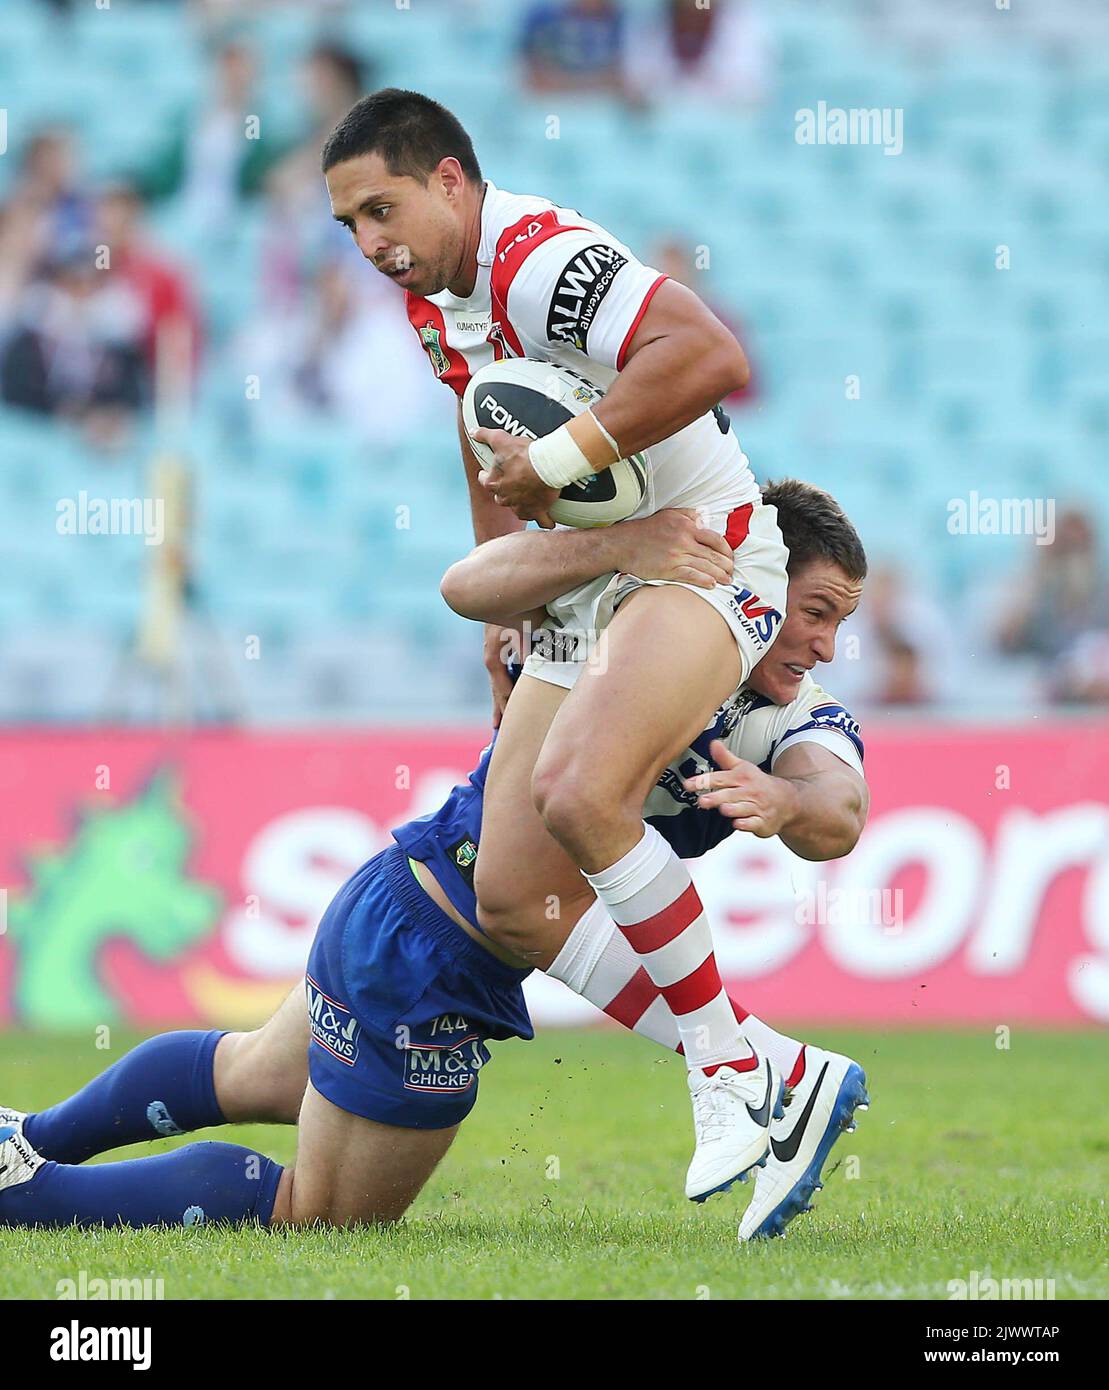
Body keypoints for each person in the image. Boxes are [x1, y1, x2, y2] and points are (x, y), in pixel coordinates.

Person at [0, 480, 869, 1243]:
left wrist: (788, 800)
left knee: (252, 1071)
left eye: (842, 622)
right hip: (436, 961)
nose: (826, 646)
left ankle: (23, 1139)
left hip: (395, 906)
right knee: (326, 1216)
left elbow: (839, 807)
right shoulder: (628, 623)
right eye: (816, 611)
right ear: (754, 577)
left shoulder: (790, 716)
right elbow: (476, 570)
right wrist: (548, 585)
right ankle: (29, 1198)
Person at [321, 87, 788, 1202]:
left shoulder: (536, 255)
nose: (370, 245)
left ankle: (728, 1072)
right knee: (515, 897)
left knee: (581, 792)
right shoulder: (439, 303)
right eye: (348, 228)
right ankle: (767, 1061)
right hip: (600, 583)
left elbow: (708, 353)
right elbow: (486, 436)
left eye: (382, 211)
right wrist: (515, 602)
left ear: (448, 179)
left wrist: (563, 456)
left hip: (703, 554)